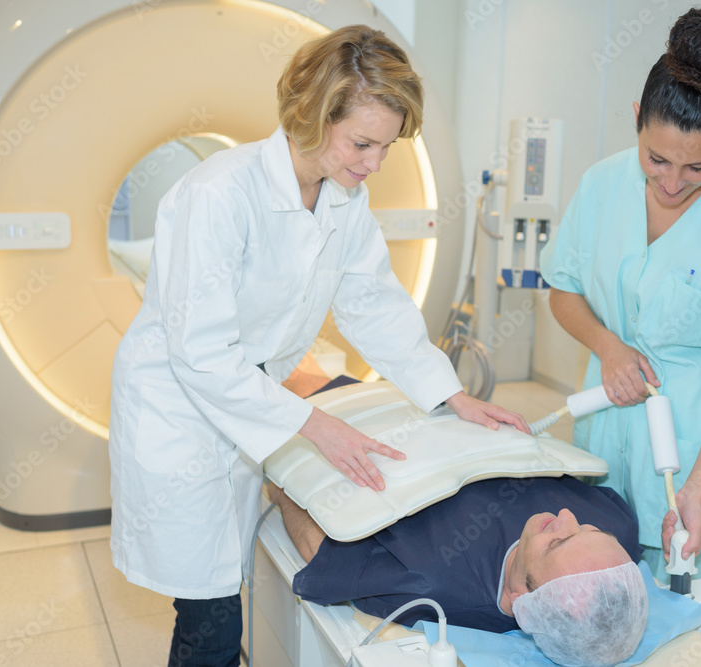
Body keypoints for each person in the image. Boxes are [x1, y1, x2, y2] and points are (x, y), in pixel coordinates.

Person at [108, 25, 529, 667]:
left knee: (218, 589)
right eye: (363, 143)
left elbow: (373, 304)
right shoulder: (219, 194)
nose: (374, 164)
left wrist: (451, 396)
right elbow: (202, 355)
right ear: (312, 115)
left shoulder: (343, 197)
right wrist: (315, 424)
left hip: (250, 401)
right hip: (181, 409)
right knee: (210, 612)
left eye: (385, 147)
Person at [541, 6, 701, 587]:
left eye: (698, 167)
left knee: (686, 614)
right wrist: (608, 347)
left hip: (693, 466)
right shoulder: (602, 183)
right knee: (594, 603)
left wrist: (697, 490)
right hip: (604, 446)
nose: (671, 182)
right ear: (638, 116)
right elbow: (563, 290)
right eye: (656, 158)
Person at [270, 475, 649, 667]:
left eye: (556, 542)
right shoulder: (619, 529)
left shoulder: (424, 580)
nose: (567, 516)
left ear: (520, 599)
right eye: (589, 530)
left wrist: (280, 488)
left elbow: (322, 550)